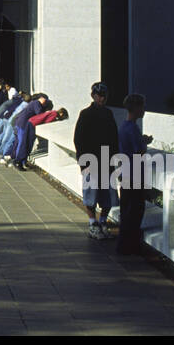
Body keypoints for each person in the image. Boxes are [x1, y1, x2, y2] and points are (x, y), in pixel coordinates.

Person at [74, 81, 120, 241]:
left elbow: (114, 138)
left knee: (108, 195)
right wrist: (83, 163)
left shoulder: (109, 114)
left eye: (104, 96)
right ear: (93, 96)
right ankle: (93, 223)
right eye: (99, 95)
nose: (102, 98)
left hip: (107, 161)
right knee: (91, 195)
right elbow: (78, 139)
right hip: (90, 161)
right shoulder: (85, 114)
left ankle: (103, 222)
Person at [116, 93, 153, 256]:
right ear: (137, 108)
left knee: (126, 209)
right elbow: (138, 151)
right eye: (142, 107)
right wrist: (144, 143)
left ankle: (124, 245)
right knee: (136, 209)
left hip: (124, 173)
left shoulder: (124, 126)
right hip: (134, 174)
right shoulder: (133, 128)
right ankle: (130, 246)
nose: (144, 110)